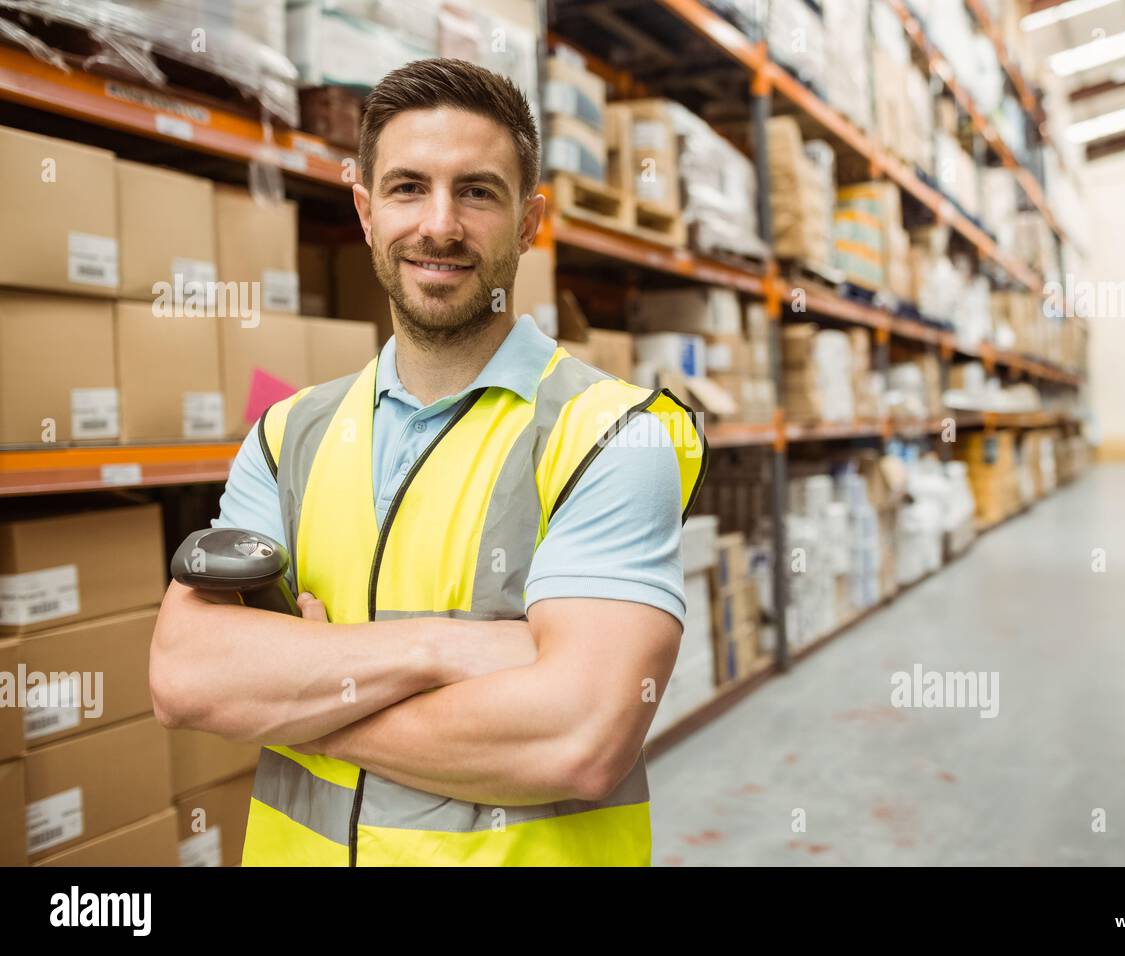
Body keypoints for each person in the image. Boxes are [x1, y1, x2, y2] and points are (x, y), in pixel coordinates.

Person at [149, 58, 708, 866]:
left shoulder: (615, 434)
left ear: (529, 221)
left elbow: (582, 738)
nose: (439, 225)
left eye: (477, 191)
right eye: (408, 188)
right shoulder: (286, 434)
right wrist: (441, 649)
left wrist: (296, 695)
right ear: (367, 213)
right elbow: (184, 676)